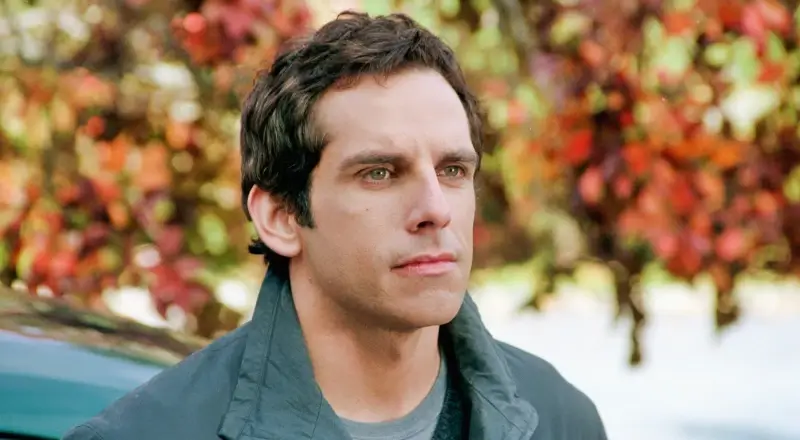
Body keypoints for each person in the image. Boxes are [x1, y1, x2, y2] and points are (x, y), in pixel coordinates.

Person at [63, 10, 607, 440]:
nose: (436, 208)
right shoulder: (151, 432)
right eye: (379, 173)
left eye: (452, 170)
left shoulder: (559, 418)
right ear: (280, 217)